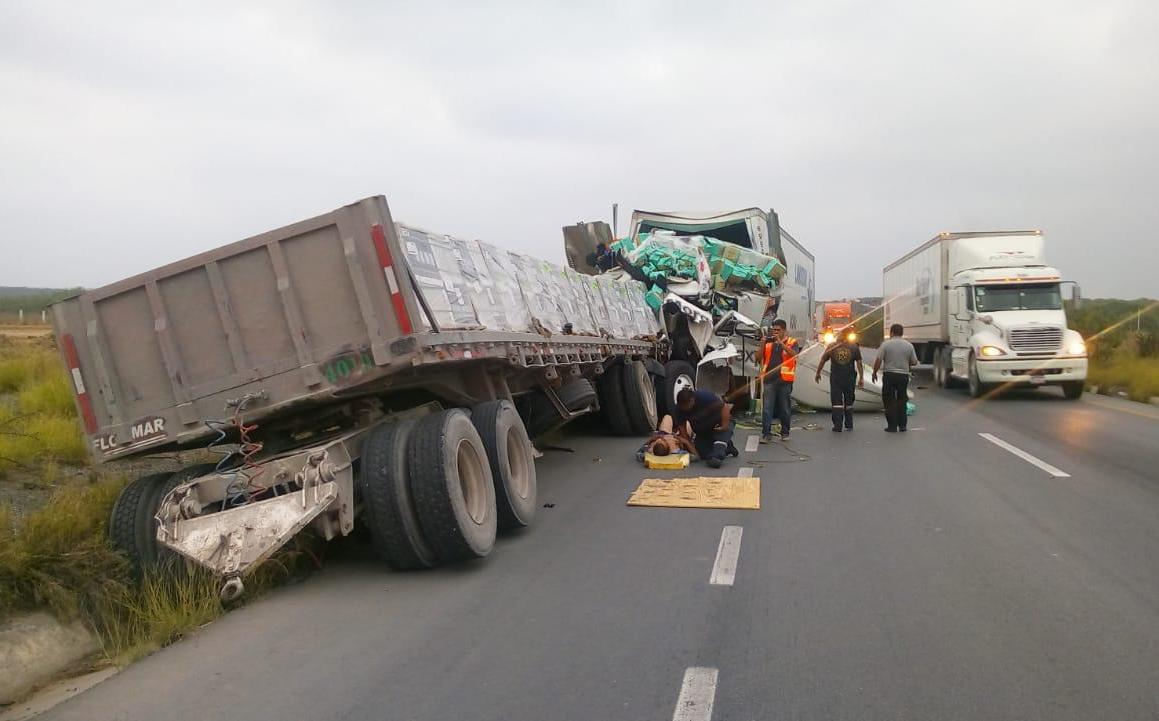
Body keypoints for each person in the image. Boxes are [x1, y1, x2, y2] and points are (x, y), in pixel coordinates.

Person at [814, 327, 864, 432]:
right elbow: (859, 363)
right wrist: (861, 378)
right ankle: (849, 424)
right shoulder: (854, 347)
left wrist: (818, 373)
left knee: (837, 402)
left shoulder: (832, 346)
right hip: (850, 378)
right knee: (849, 401)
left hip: (836, 378)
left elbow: (823, 360)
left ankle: (837, 425)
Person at [674, 388, 738, 469]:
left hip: (719, 423)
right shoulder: (679, 410)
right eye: (683, 407)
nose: (686, 409)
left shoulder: (704, 397)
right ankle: (728, 447)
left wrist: (724, 426)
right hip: (703, 431)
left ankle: (717, 456)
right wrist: (689, 444)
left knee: (719, 443)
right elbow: (684, 432)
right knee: (702, 453)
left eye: (688, 406)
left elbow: (724, 407)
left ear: (692, 400)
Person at [872, 323, 919, 432]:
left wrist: (874, 372)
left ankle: (892, 426)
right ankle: (902, 425)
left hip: (889, 375)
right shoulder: (909, 345)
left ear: (892, 332)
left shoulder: (886, 344)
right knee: (902, 400)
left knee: (889, 400)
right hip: (903, 376)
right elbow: (914, 362)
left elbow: (878, 360)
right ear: (902, 333)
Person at [760, 319, 800, 442]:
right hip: (769, 379)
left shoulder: (792, 342)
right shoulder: (768, 342)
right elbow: (758, 357)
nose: (775, 332)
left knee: (784, 407)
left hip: (785, 380)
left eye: (778, 330)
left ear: (784, 331)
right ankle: (766, 434)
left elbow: (794, 354)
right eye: (774, 330)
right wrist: (762, 345)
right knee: (767, 408)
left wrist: (781, 343)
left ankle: (785, 432)